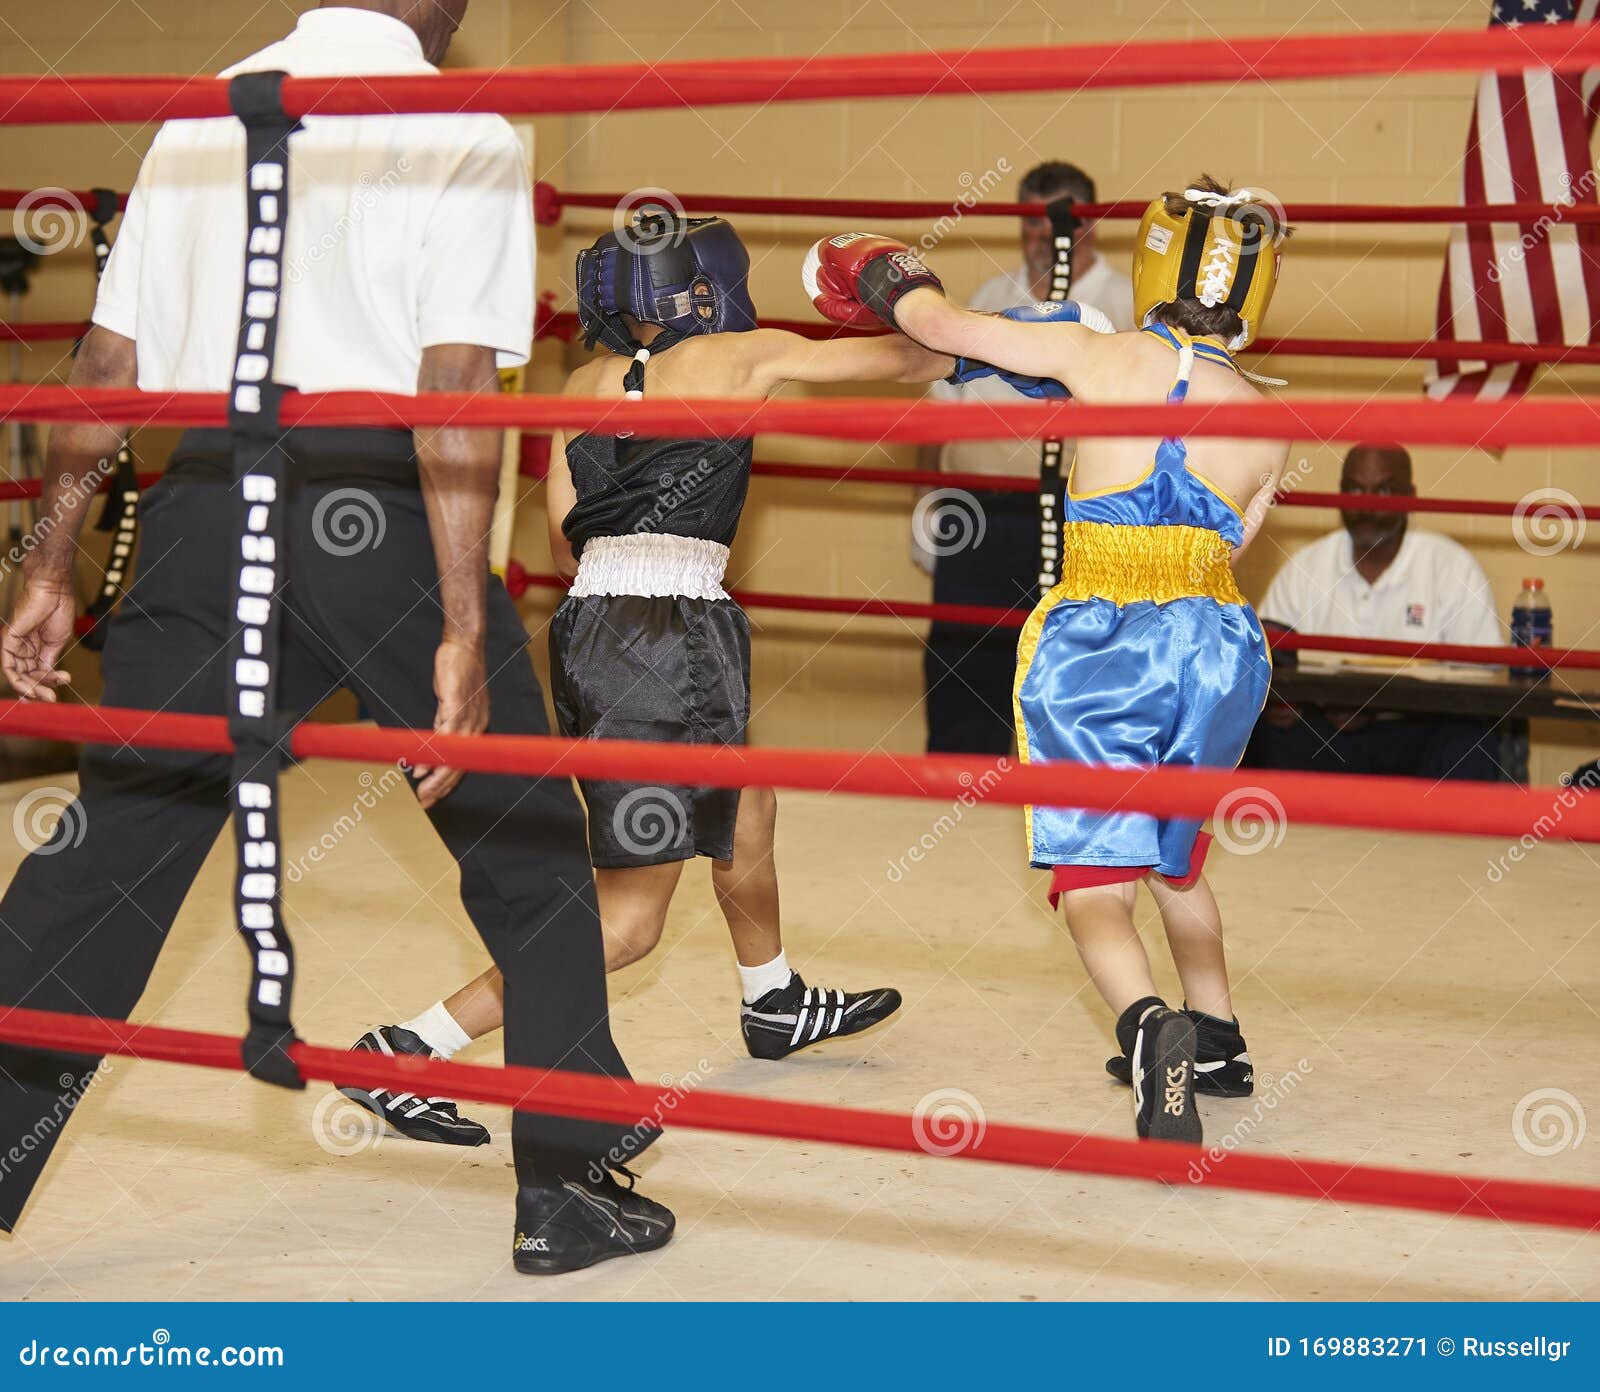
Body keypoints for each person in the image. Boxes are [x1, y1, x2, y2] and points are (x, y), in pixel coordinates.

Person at [0, 0, 675, 1278]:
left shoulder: (208, 101)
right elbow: (454, 384)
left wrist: (49, 557)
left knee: (112, 864)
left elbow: (104, 354)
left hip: (207, 508)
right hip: (376, 507)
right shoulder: (460, 121)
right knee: (528, 855)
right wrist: (464, 618)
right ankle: (563, 1191)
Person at [339, 213, 952, 1144]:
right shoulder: (740, 356)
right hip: (671, 631)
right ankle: (406, 1048)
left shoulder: (581, 385)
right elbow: (922, 362)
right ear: (702, 289)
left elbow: (561, 539)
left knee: (746, 804)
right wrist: (897, 282)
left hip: (594, 625)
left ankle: (772, 996)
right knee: (628, 920)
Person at [804, 176, 1292, 1141]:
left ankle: (1152, 1028)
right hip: (1213, 645)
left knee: (1092, 876)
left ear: (1152, 260)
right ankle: (1221, 1038)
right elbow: (1232, 544)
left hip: (1103, 639)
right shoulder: (1268, 423)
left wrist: (877, 266)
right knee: (1177, 861)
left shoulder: (1092, 353)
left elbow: (945, 327)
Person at [917, 161, 1135, 756]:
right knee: (965, 673)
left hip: (1081, 521)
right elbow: (938, 411)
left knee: (1076, 675)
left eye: (1060, 218)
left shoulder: (1124, 305)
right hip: (979, 517)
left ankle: (1073, 810)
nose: (1046, 233)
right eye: (1034, 220)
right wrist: (929, 508)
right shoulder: (992, 297)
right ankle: (953, 805)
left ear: (1089, 223)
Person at [1245, 444, 1505, 781]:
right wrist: (1282, 703)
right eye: (1355, 489)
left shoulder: (1453, 568)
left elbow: (1485, 680)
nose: (1366, 504)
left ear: (1410, 496)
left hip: (1416, 733)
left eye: (1383, 489)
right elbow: (1264, 662)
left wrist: (1385, 704)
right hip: (1326, 735)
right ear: (1340, 494)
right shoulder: (1305, 566)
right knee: (1257, 732)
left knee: (1473, 743)